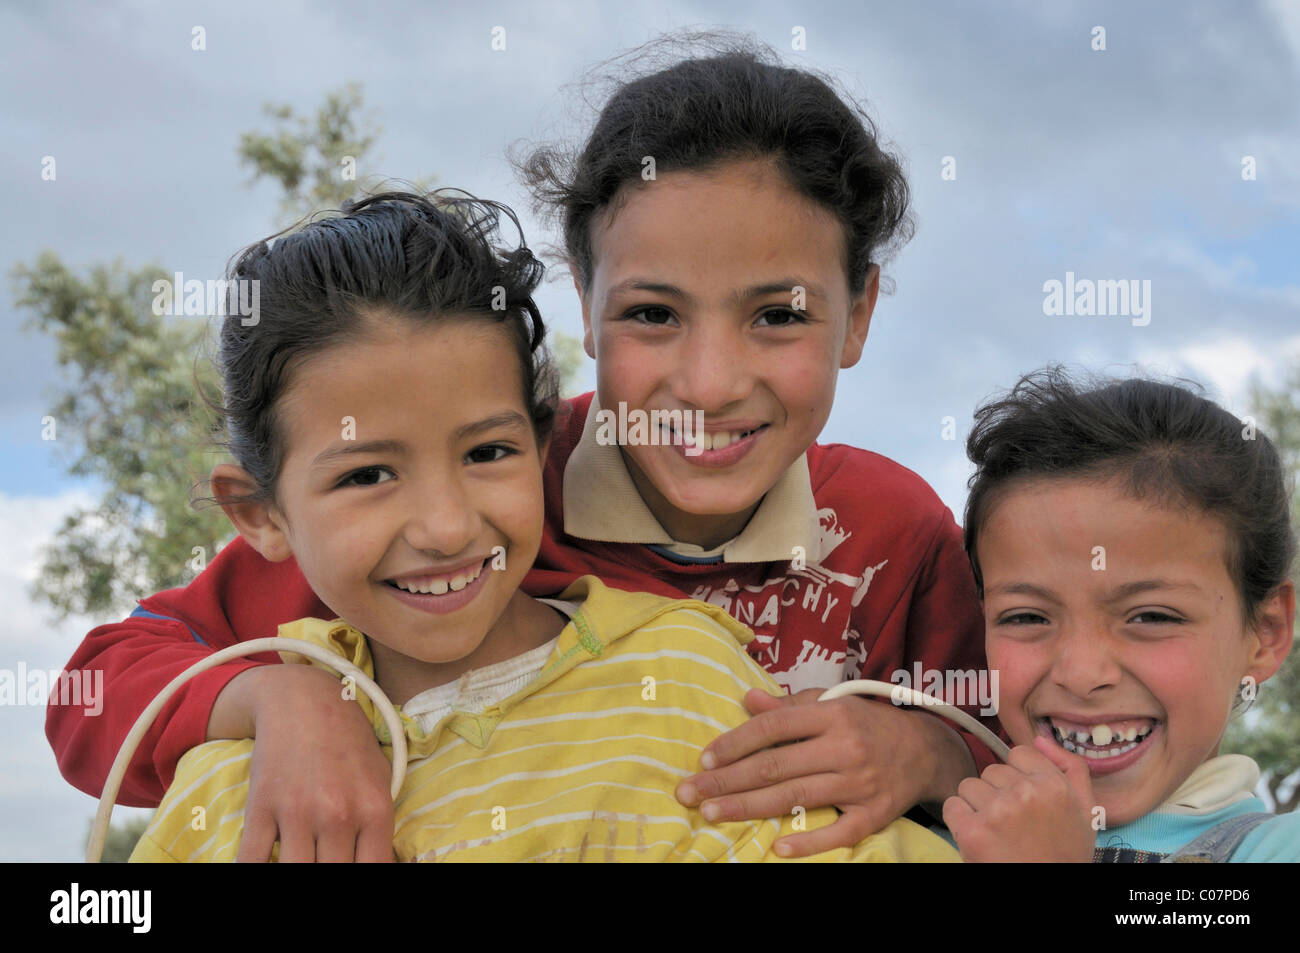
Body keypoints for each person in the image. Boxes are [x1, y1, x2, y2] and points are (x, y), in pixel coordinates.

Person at [50, 35, 994, 862]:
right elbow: (95, 686)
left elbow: (1035, 739)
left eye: (778, 314)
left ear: (860, 311)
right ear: (583, 296)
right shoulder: (464, 508)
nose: (710, 382)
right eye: (653, 313)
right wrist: (278, 702)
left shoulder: (891, 533)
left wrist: (932, 752)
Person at [943, 368, 1299, 862]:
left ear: (1265, 633)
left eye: (1151, 616)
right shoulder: (914, 842)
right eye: (1026, 617)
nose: (1083, 675)